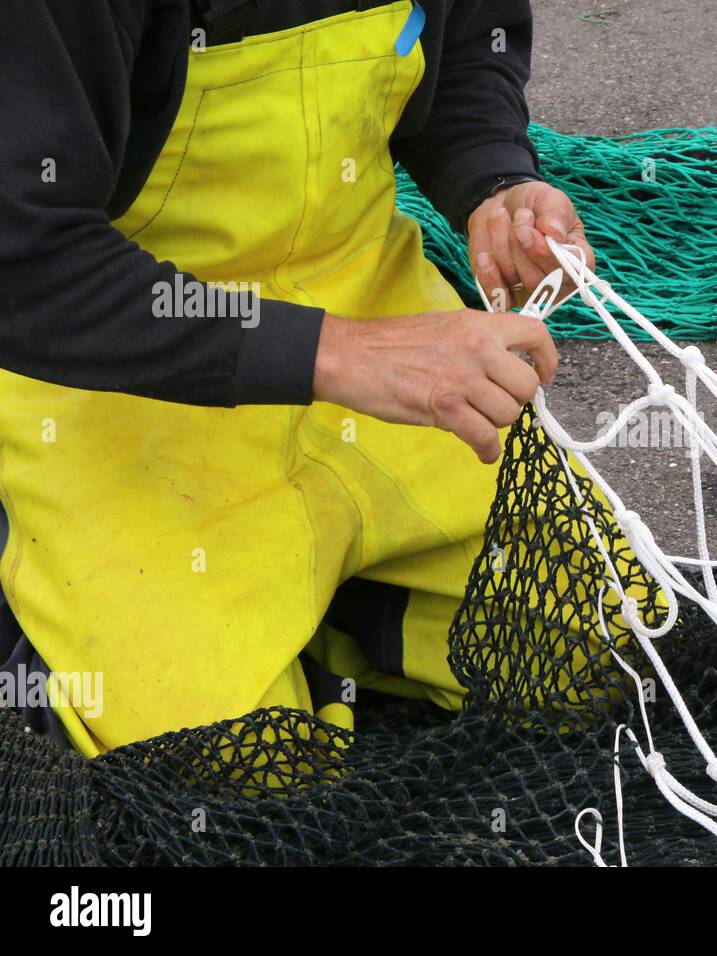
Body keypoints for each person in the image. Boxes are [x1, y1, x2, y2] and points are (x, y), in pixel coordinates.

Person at [0, 0, 597, 755]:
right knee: (234, 766)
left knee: (590, 652)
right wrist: (343, 356)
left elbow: (470, 45)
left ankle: (336, 608)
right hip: (114, 366)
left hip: (367, 301)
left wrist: (493, 180)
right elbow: (23, 259)